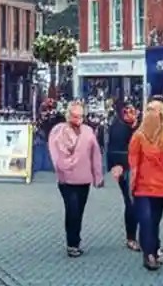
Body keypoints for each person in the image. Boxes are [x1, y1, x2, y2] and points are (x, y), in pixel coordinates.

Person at [129, 100, 163, 271]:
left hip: (160, 189)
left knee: (153, 221)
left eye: (153, 111)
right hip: (143, 188)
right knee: (146, 220)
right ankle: (149, 255)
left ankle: (153, 247)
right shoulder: (139, 136)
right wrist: (132, 185)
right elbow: (134, 163)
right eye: (149, 110)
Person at [48, 100, 104, 257]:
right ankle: (72, 244)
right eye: (74, 116)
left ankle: (76, 240)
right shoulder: (59, 131)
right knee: (72, 210)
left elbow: (96, 154)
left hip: (84, 178)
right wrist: (66, 167)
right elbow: (57, 155)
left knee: (79, 211)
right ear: (68, 115)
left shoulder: (88, 131)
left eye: (80, 116)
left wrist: (98, 176)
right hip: (67, 180)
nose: (78, 120)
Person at [106, 102, 141, 252]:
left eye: (132, 111)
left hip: (142, 168)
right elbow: (112, 149)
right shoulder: (117, 128)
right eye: (126, 112)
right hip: (125, 168)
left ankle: (147, 235)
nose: (129, 114)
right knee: (131, 202)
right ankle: (131, 237)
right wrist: (115, 165)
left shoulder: (143, 126)